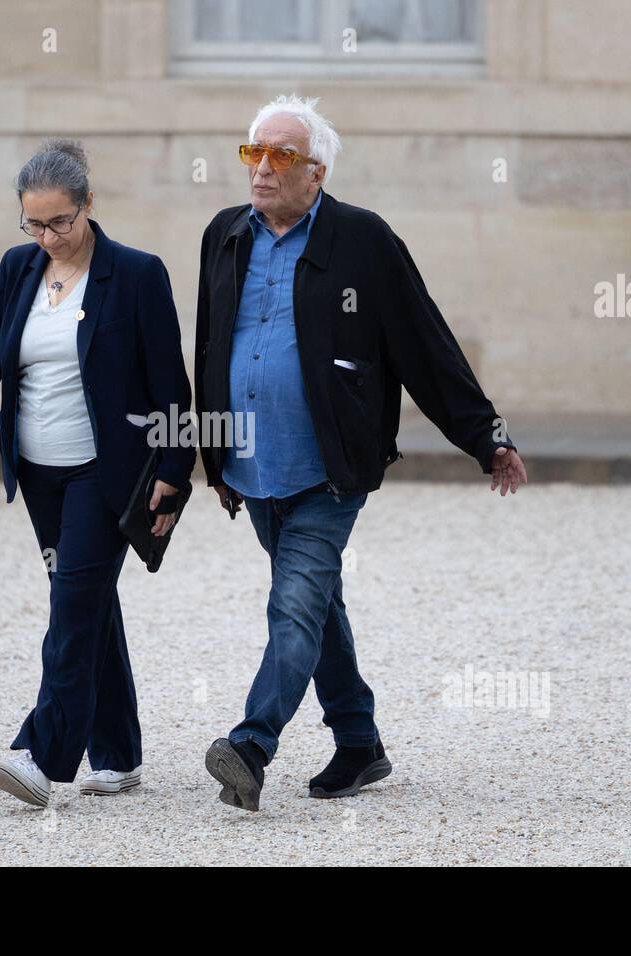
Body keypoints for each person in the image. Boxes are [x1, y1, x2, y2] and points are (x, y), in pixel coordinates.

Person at [194, 95, 528, 812]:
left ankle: (251, 745)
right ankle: (359, 743)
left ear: (316, 171)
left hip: (329, 471)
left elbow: (424, 343)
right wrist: (215, 458)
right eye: (254, 153)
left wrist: (485, 435)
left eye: (281, 156)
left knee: (293, 607)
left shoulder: (362, 240)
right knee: (319, 607)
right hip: (255, 469)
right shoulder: (224, 235)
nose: (262, 169)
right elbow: (210, 348)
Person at [0, 139, 195, 808]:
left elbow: (171, 386)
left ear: (88, 205)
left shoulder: (136, 274)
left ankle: (43, 755)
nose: (47, 237)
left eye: (59, 222)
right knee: (89, 606)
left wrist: (175, 472)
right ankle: (120, 756)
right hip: (38, 476)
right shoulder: (19, 271)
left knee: (72, 605)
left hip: (106, 476)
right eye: (33, 223)